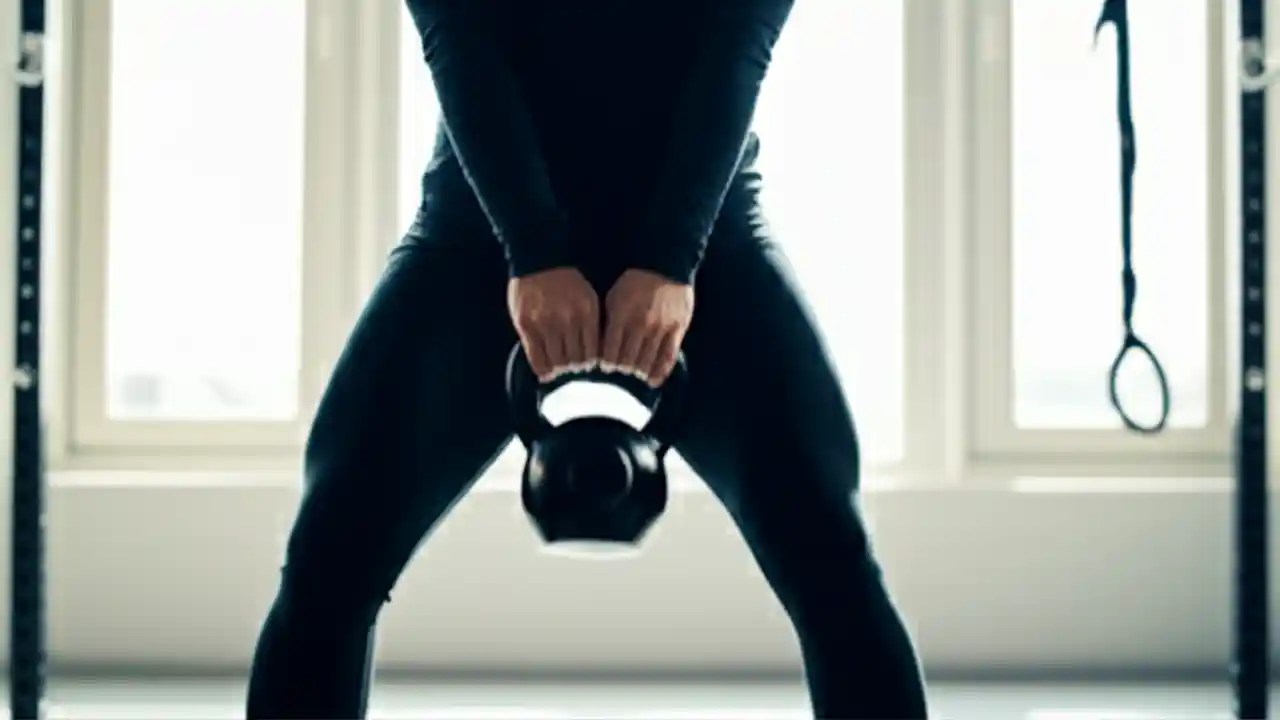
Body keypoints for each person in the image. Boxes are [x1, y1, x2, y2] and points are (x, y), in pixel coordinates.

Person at [245, 0, 929, 717]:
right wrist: (533, 249)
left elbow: (740, 38)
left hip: (699, 243)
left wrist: (671, 258)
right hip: (480, 235)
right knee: (329, 557)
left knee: (833, 560)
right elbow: (459, 33)